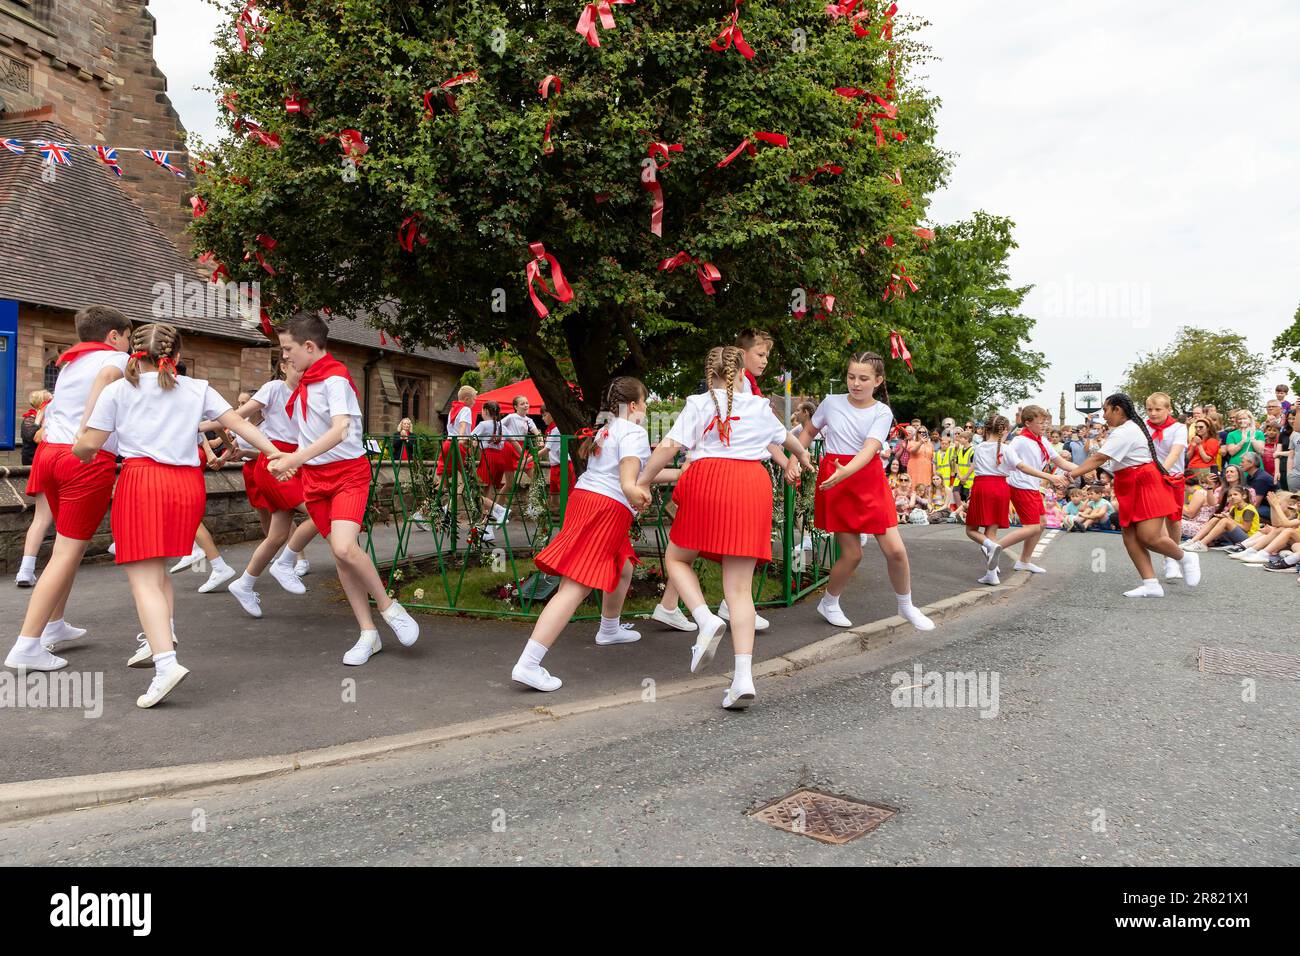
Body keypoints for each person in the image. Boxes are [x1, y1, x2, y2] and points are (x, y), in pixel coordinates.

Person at [73, 322, 283, 706]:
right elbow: (235, 422)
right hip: (187, 486)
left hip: (143, 482)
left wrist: (77, 443)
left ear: (132, 355)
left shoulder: (118, 389)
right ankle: (160, 639)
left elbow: (89, 446)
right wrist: (275, 453)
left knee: (144, 581)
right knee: (160, 573)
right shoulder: (197, 388)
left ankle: (166, 664)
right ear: (178, 356)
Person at [637, 345, 811, 711]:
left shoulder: (700, 404)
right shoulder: (760, 407)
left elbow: (667, 449)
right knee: (739, 590)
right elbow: (790, 442)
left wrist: (642, 481)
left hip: (708, 481)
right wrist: (803, 457)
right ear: (742, 373)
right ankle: (743, 678)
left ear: (708, 374)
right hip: (750, 486)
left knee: (678, 559)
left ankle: (703, 618)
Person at [267, 313, 421, 664]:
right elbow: (308, 433)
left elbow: (339, 431)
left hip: (348, 475)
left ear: (308, 346)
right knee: (340, 555)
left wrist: (294, 459)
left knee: (344, 546)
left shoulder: (335, 379)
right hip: (315, 478)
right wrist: (288, 455)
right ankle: (368, 634)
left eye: (288, 349)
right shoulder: (305, 383)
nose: (285, 356)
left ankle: (389, 607)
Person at [511, 378, 676, 691]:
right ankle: (528, 663)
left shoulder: (608, 427)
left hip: (586, 501)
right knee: (575, 588)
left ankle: (610, 628)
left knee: (623, 564)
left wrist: (680, 473)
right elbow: (631, 475)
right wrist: (632, 489)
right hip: (606, 510)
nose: (646, 410)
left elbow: (637, 473)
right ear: (635, 405)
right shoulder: (634, 430)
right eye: (645, 403)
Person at [5, 306, 133, 671]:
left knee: (66, 547)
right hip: (84, 459)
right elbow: (109, 377)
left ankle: (54, 625)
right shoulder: (116, 359)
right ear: (114, 336)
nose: (129, 343)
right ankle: (27, 645)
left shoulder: (71, 362)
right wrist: (90, 427)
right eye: (127, 335)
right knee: (66, 551)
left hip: (50, 454)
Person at [798, 351, 935, 631]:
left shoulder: (882, 411)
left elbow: (870, 447)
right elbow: (809, 432)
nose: (855, 383)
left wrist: (847, 472)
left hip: (865, 477)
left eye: (863, 378)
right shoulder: (831, 402)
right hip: (836, 473)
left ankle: (906, 605)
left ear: (878, 380)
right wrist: (794, 458)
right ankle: (829, 602)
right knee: (852, 555)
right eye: (851, 377)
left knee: (895, 550)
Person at [1066, 393, 1200, 597]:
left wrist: (1071, 475)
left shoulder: (1125, 431)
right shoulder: (1124, 430)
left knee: (1149, 537)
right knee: (1129, 535)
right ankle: (1151, 583)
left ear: (1117, 410)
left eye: (1105, 410)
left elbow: (1099, 458)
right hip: (1128, 482)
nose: (1104, 415)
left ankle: (1185, 557)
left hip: (1144, 483)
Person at [219, 363, 321, 617]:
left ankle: (244, 583)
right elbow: (238, 415)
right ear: (284, 367)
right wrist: (207, 427)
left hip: (293, 460)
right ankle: (286, 564)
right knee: (321, 512)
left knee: (276, 535)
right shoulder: (274, 388)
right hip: (274, 461)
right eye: (298, 367)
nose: (304, 372)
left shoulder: (308, 394)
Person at [963, 415, 1066, 586]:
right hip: (1001, 488)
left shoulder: (979, 447)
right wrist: (1049, 476)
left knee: (971, 530)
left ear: (987, 429)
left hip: (983, 486)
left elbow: (977, 467)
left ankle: (989, 545)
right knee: (992, 531)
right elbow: (1023, 468)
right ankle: (991, 573)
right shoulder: (1007, 448)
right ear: (1005, 430)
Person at [1005, 405, 1077, 574]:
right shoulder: (1019, 441)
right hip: (1020, 485)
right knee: (1032, 526)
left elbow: (1061, 461)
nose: (1045, 426)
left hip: (1033, 486)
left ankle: (1024, 561)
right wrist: (1050, 477)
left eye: (1046, 422)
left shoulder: (1042, 440)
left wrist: (1085, 469)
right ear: (1028, 423)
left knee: (1042, 523)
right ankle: (994, 547)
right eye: (1041, 423)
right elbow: (1011, 462)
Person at [1145, 392, 1188, 581]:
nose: (1153, 413)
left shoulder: (1179, 428)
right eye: (1149, 409)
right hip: (1150, 479)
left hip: (1172, 477)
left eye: (1158, 409)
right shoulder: (1143, 427)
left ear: (1168, 410)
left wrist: (1161, 472)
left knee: (1174, 519)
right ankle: (1169, 558)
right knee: (1158, 517)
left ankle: (1172, 556)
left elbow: (1175, 452)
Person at [15, 389, 55, 587]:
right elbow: (35, 436)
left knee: (40, 519)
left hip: (45, 460)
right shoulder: (53, 412)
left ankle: (26, 570)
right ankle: (44, 571)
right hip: (63, 458)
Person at [470, 400, 511, 542]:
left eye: (482, 410)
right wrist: (525, 457)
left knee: (475, 493)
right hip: (500, 459)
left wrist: (472, 446)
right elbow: (514, 441)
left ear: (486, 411)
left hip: (488, 458)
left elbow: (470, 439)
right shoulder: (501, 425)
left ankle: (500, 510)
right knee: (487, 494)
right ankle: (487, 529)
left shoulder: (483, 425)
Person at [1182, 485, 1258, 552]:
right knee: (1216, 519)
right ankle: (1193, 540)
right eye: (1230, 495)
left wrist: (1228, 519)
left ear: (1244, 496)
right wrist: (1222, 516)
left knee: (1225, 521)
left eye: (1235, 494)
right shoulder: (1234, 508)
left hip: (1249, 539)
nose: (1232, 497)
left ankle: (1202, 544)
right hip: (1238, 535)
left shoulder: (1248, 509)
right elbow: (1231, 523)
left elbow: (1246, 528)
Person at [436, 384, 476, 478]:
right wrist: (461, 438)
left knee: (444, 471)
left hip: (448, 442)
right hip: (459, 444)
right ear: (466, 399)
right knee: (465, 473)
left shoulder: (453, 409)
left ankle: (440, 489)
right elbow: (463, 424)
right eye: (473, 399)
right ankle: (459, 492)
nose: (474, 402)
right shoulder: (466, 409)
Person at [1239, 452, 1277, 523]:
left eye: (1242, 462)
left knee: (1246, 511)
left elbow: (1255, 503)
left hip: (1271, 508)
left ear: (1251, 463)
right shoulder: (1250, 476)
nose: (1240, 464)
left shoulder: (1261, 479)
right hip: (1263, 505)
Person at [735, 329, 773, 396]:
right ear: (742, 353)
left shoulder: (747, 381)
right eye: (760, 355)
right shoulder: (738, 382)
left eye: (766, 357)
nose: (766, 362)